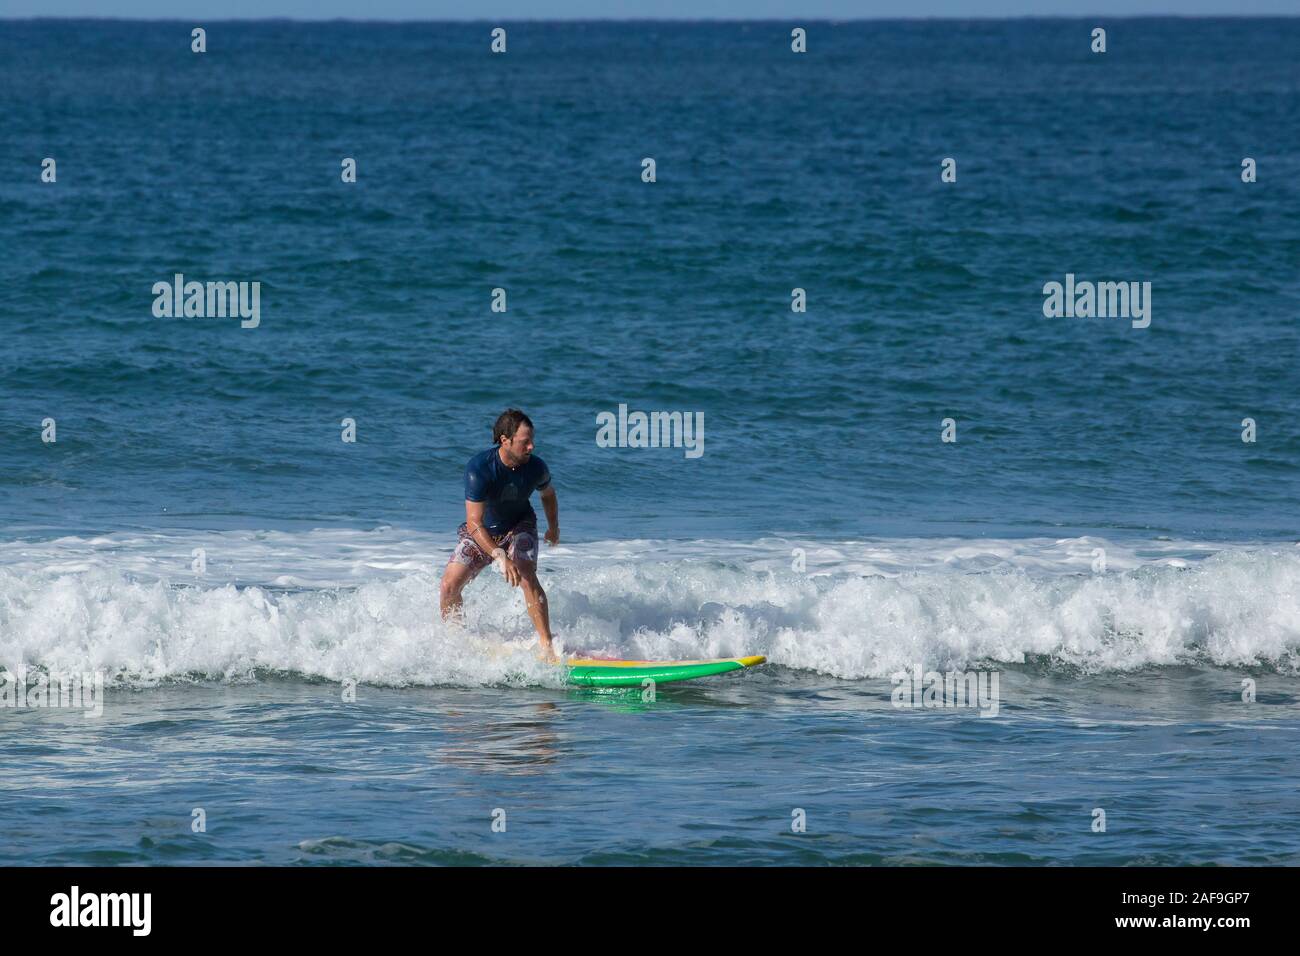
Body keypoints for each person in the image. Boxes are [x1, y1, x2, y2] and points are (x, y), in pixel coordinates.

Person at [439, 409, 560, 656]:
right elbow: (473, 522)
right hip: (483, 532)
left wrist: (553, 527)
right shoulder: (480, 468)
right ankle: (456, 644)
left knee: (525, 573)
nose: (531, 447)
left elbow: (548, 495)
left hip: (520, 524)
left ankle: (547, 646)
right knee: (448, 586)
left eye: (532, 440)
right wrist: (498, 554)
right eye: (525, 442)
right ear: (505, 440)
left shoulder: (536, 467)